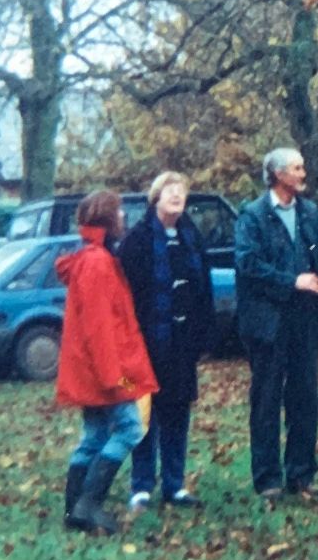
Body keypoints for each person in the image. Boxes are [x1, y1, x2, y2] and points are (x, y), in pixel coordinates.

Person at [233, 147, 318, 499]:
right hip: (268, 324)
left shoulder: (309, 212)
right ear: (277, 175)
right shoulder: (252, 216)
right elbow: (248, 264)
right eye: (297, 168)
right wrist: (293, 281)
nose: (304, 174)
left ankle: (302, 476)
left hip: (305, 319)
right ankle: (268, 481)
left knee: (305, 398)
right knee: (267, 400)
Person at [55, 189, 159, 536]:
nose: (124, 219)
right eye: (119, 213)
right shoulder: (98, 263)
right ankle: (88, 503)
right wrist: (115, 377)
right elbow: (100, 327)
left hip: (94, 371)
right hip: (109, 373)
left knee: (96, 434)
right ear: (107, 219)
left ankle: (74, 508)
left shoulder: (93, 257)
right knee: (130, 427)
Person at [119, 170, 216, 511]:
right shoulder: (138, 239)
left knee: (177, 413)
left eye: (182, 191)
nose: (177, 196)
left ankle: (174, 485)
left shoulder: (191, 236)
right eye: (169, 190)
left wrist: (203, 334)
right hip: (146, 344)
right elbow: (126, 297)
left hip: (182, 345)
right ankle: (141, 486)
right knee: (145, 416)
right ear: (155, 198)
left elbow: (204, 288)